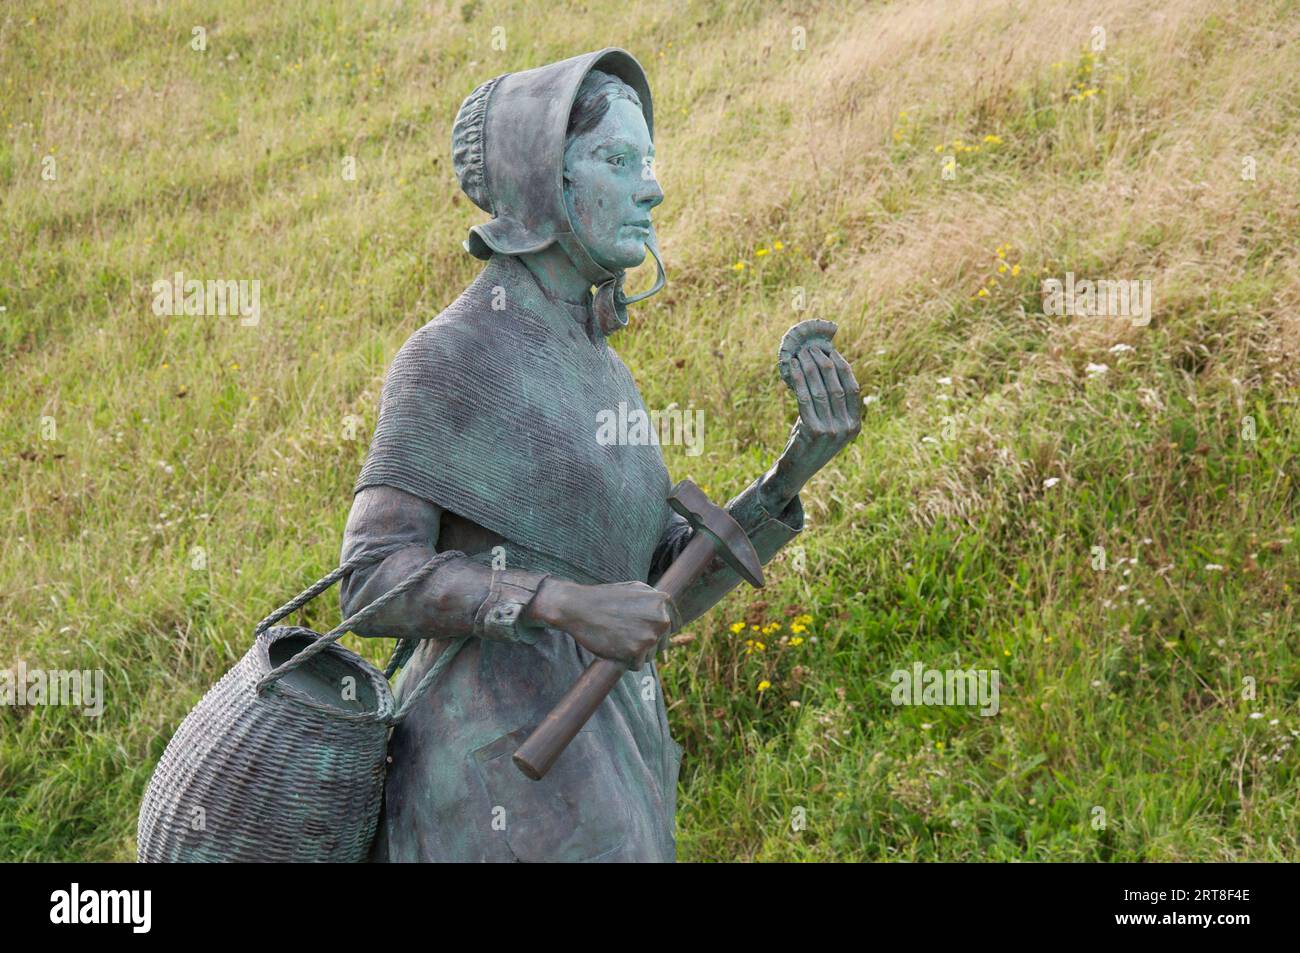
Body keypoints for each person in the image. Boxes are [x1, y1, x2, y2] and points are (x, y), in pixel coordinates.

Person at [339, 48, 861, 862]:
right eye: (617, 160)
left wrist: (793, 470)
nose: (650, 186)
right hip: (489, 791)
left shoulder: (606, 370)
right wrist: (556, 602)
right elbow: (370, 581)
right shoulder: (451, 356)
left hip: (612, 772)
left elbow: (655, 602)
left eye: (647, 161)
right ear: (545, 182)